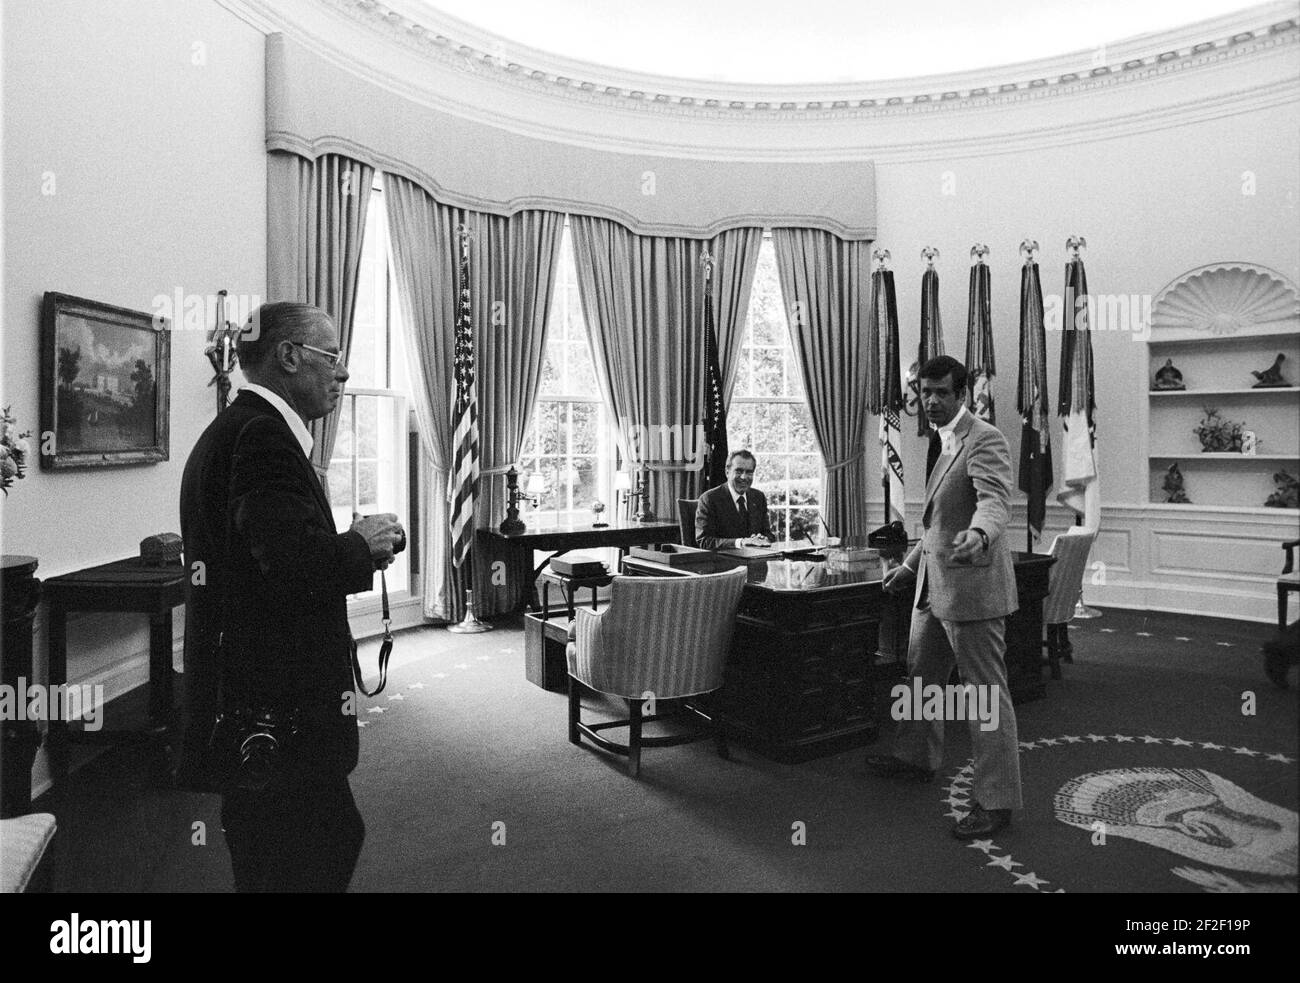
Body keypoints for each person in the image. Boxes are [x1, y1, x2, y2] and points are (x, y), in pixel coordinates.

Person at [177, 301, 405, 892]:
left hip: (249, 695)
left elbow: (266, 557)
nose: (344, 372)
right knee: (314, 848)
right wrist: (360, 544)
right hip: (276, 702)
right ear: (288, 356)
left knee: (277, 852)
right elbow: (291, 566)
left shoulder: (238, 428)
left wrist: (347, 547)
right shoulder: (263, 437)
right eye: (332, 356)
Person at [867, 355, 1022, 840]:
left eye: (941, 393)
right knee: (921, 679)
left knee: (984, 697)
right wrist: (909, 568)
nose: (930, 401)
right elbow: (935, 526)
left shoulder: (985, 438)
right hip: (932, 589)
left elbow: (995, 500)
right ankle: (915, 758)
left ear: (963, 395)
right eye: (925, 392)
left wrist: (980, 533)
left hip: (973, 589)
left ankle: (996, 802)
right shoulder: (940, 439)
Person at [695, 449, 774, 550]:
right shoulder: (709, 499)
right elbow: (704, 541)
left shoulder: (758, 497)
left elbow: (768, 533)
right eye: (739, 471)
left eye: (749, 472)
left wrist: (763, 539)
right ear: (727, 472)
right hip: (723, 562)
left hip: (755, 561)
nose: (744, 477)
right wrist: (741, 542)